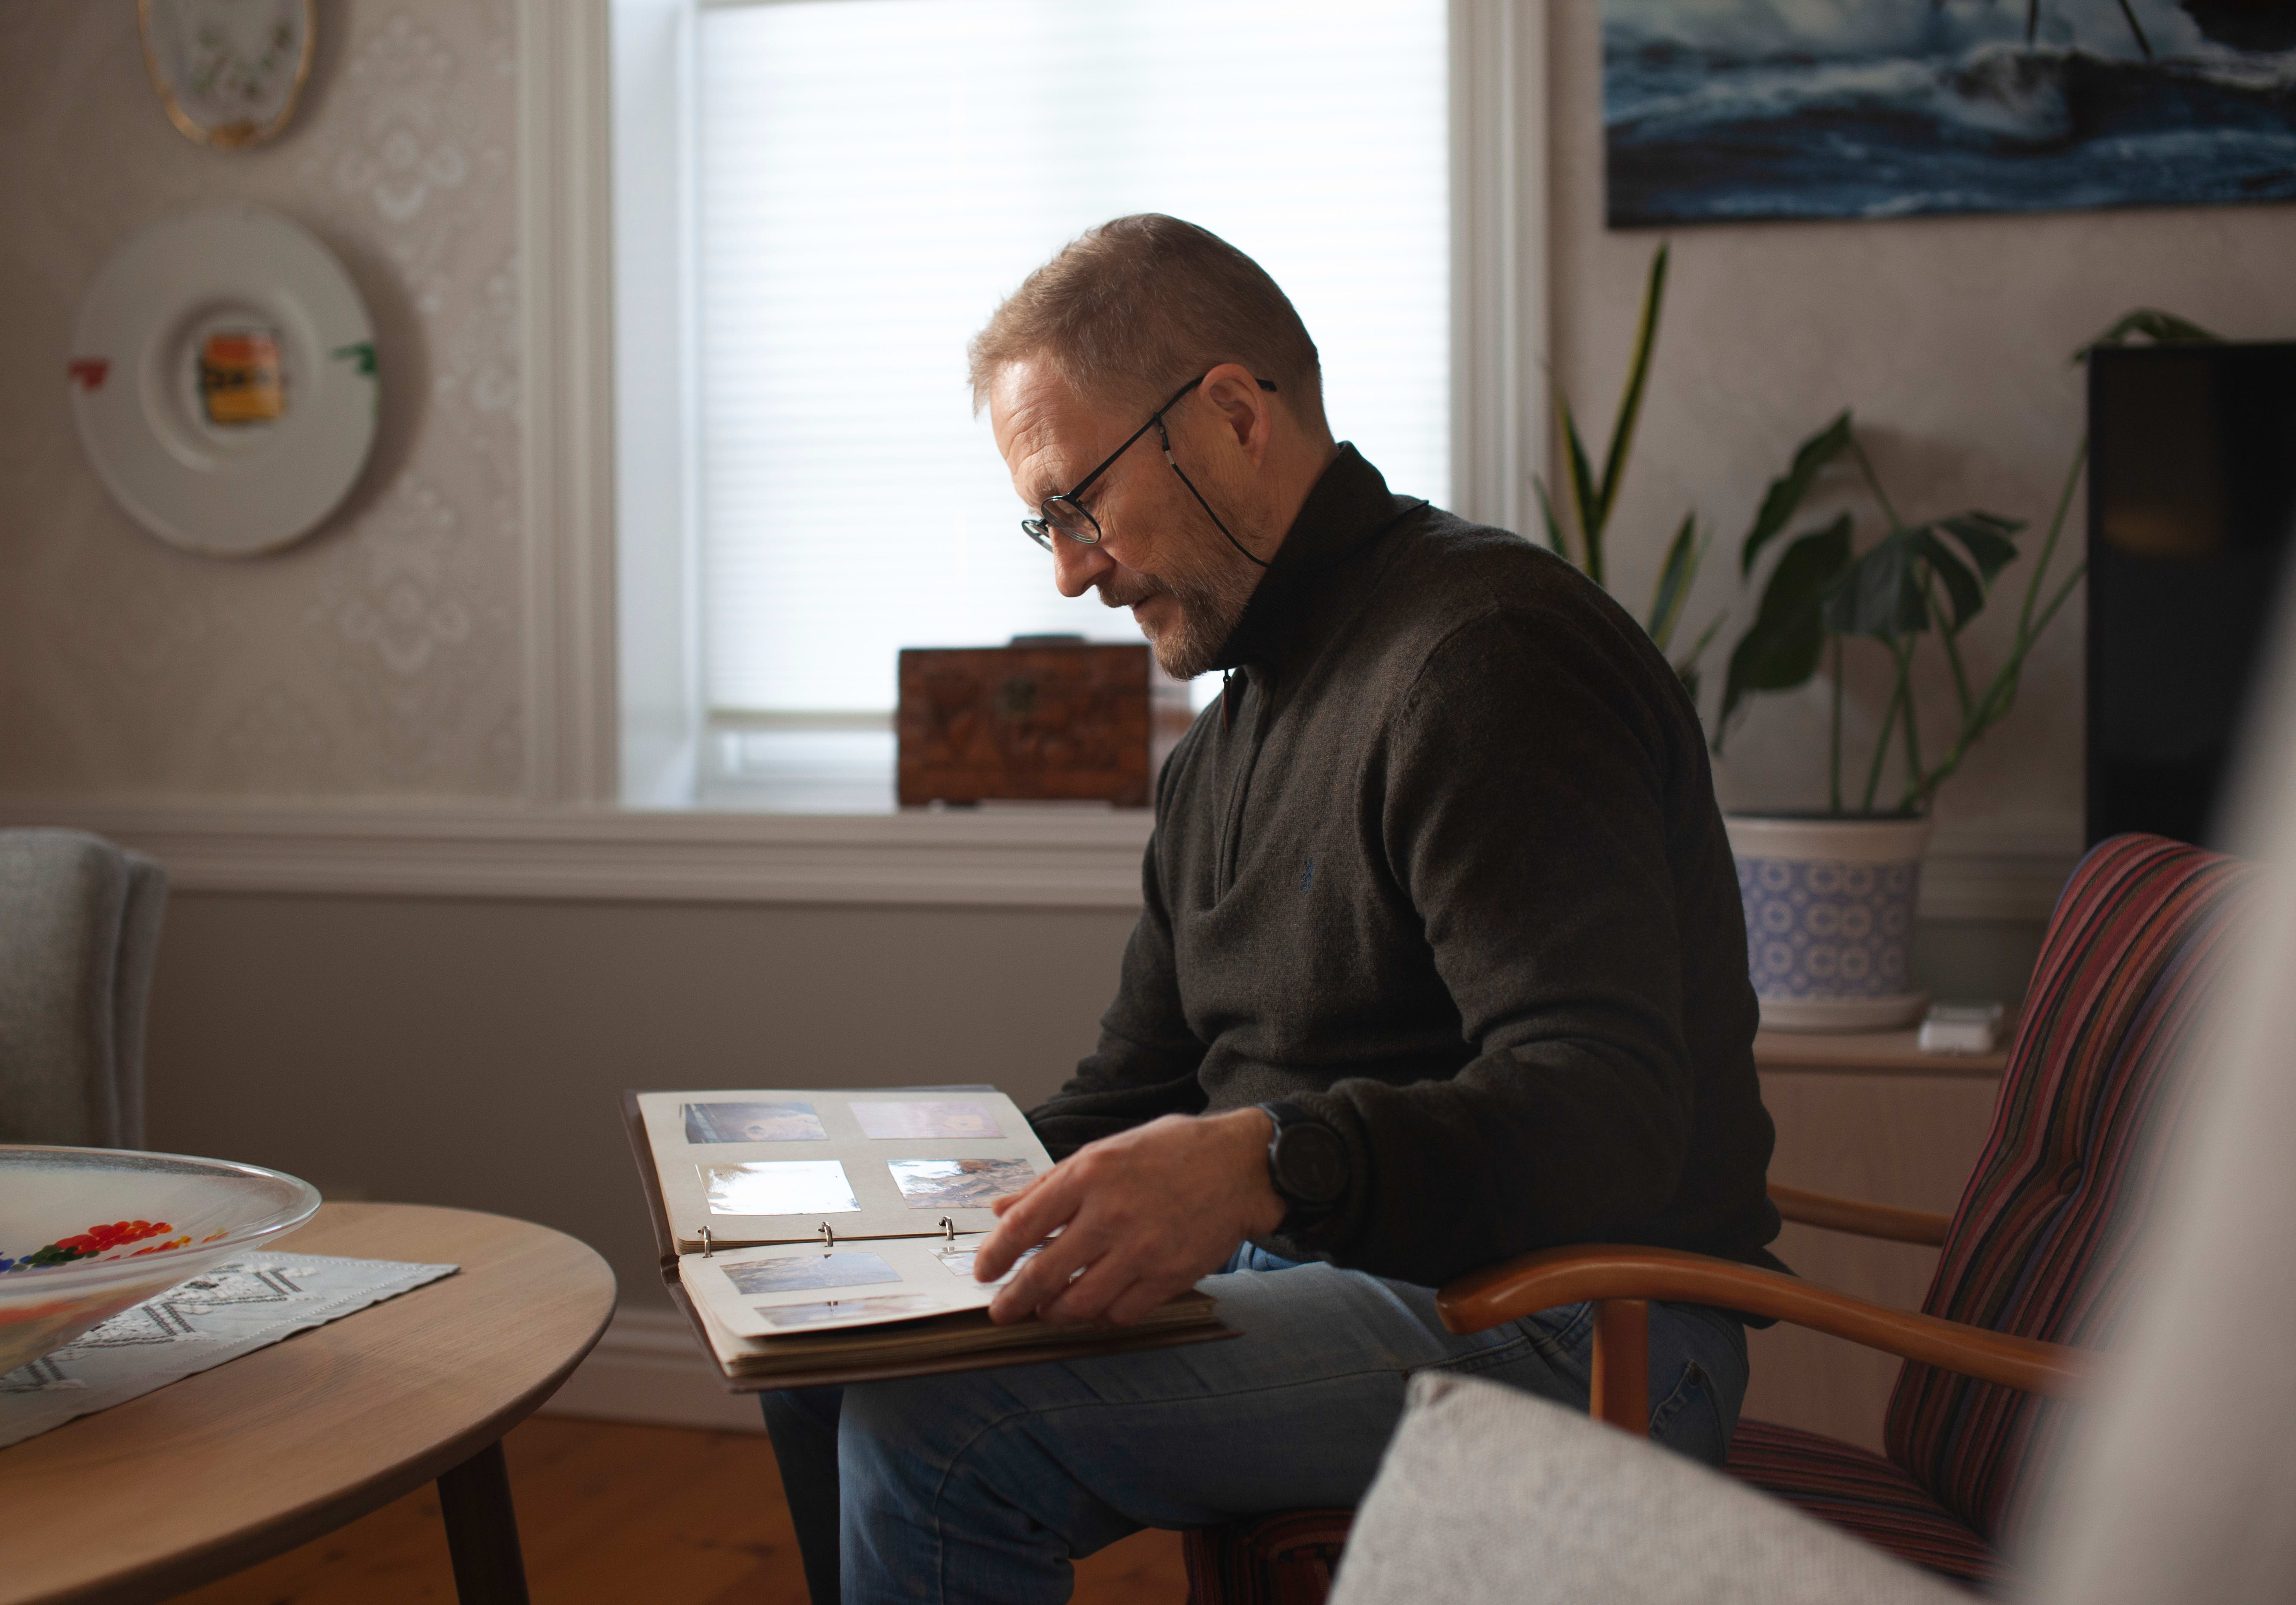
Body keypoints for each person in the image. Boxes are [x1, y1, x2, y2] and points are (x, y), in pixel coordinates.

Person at [761, 214, 1779, 1605]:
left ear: (1234, 415)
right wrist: (886, 1218)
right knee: (828, 1364)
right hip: (1338, 1270)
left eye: (1080, 504)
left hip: (1584, 1326)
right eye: (1045, 525)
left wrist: (1269, 1163)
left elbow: (1607, 1114)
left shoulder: (1489, 658)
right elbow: (1137, 1087)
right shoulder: (1227, 744)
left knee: (942, 1428)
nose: (1070, 572)